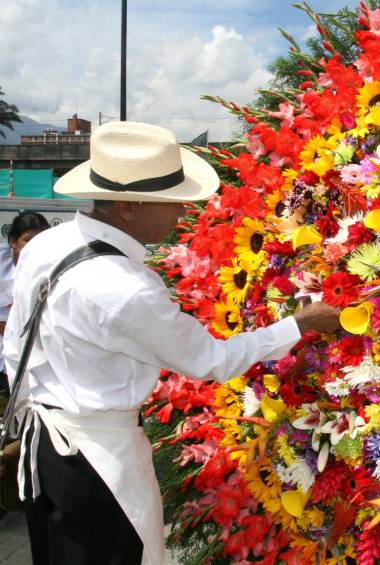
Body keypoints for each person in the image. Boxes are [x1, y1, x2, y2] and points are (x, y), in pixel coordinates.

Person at [3, 121, 340, 565]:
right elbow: (212, 361)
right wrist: (299, 324)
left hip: (44, 446)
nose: (182, 214)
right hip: (98, 460)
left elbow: (14, 347)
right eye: (173, 203)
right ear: (131, 206)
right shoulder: (125, 287)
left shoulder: (47, 243)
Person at [0, 212, 51, 395]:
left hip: (34, 354)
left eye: (41, 239)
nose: (35, 246)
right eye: (28, 240)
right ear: (14, 241)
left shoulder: (52, 265)